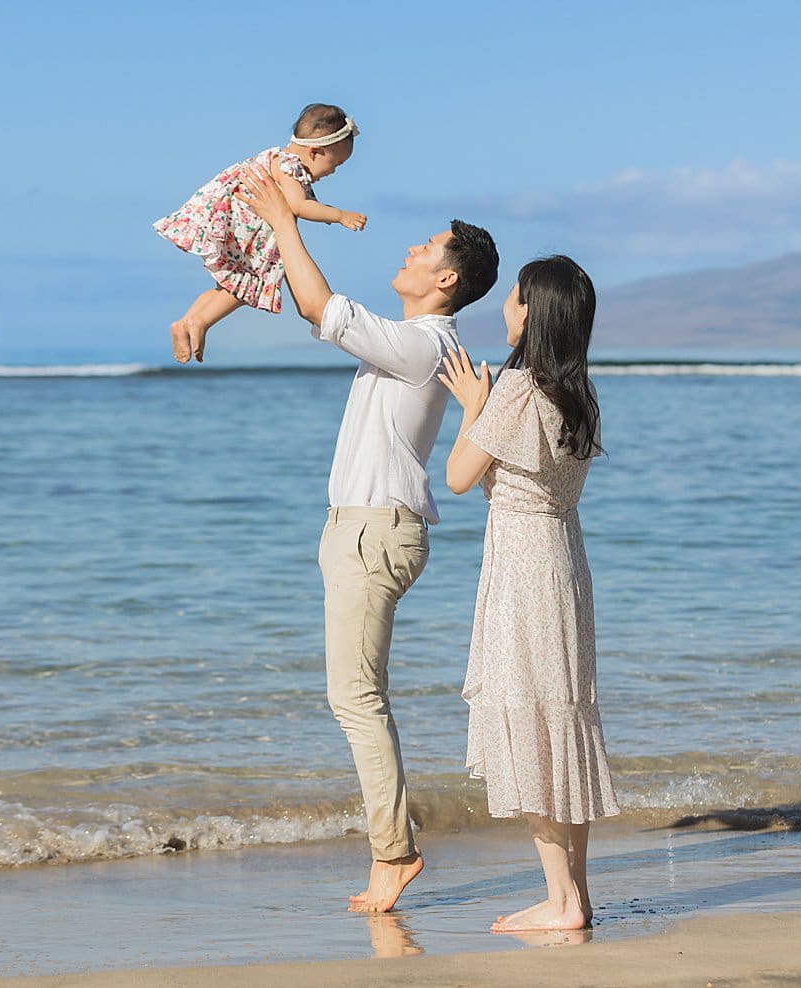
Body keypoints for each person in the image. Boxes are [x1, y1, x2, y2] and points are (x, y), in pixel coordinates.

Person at [236, 163, 500, 913]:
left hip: (374, 531)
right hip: (363, 529)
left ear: (446, 280)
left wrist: (285, 221)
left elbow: (318, 304)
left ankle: (395, 853)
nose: (411, 250)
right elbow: (316, 308)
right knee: (357, 695)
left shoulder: (423, 344)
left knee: (355, 698)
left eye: (426, 247)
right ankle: (394, 847)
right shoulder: (411, 340)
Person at [438, 255, 620, 933]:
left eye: (514, 298)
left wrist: (473, 407)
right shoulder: (578, 393)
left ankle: (561, 900)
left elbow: (458, 476)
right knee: (560, 718)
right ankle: (576, 894)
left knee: (530, 722)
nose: (504, 307)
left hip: (522, 567)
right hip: (565, 560)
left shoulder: (516, 390)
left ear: (532, 313)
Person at [154, 103, 368, 364]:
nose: (333, 172)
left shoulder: (275, 156)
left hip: (236, 224)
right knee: (245, 285)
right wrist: (339, 215)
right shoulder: (290, 167)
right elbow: (299, 206)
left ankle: (186, 322)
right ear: (315, 152)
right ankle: (199, 322)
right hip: (249, 233)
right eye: (334, 164)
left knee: (227, 287)